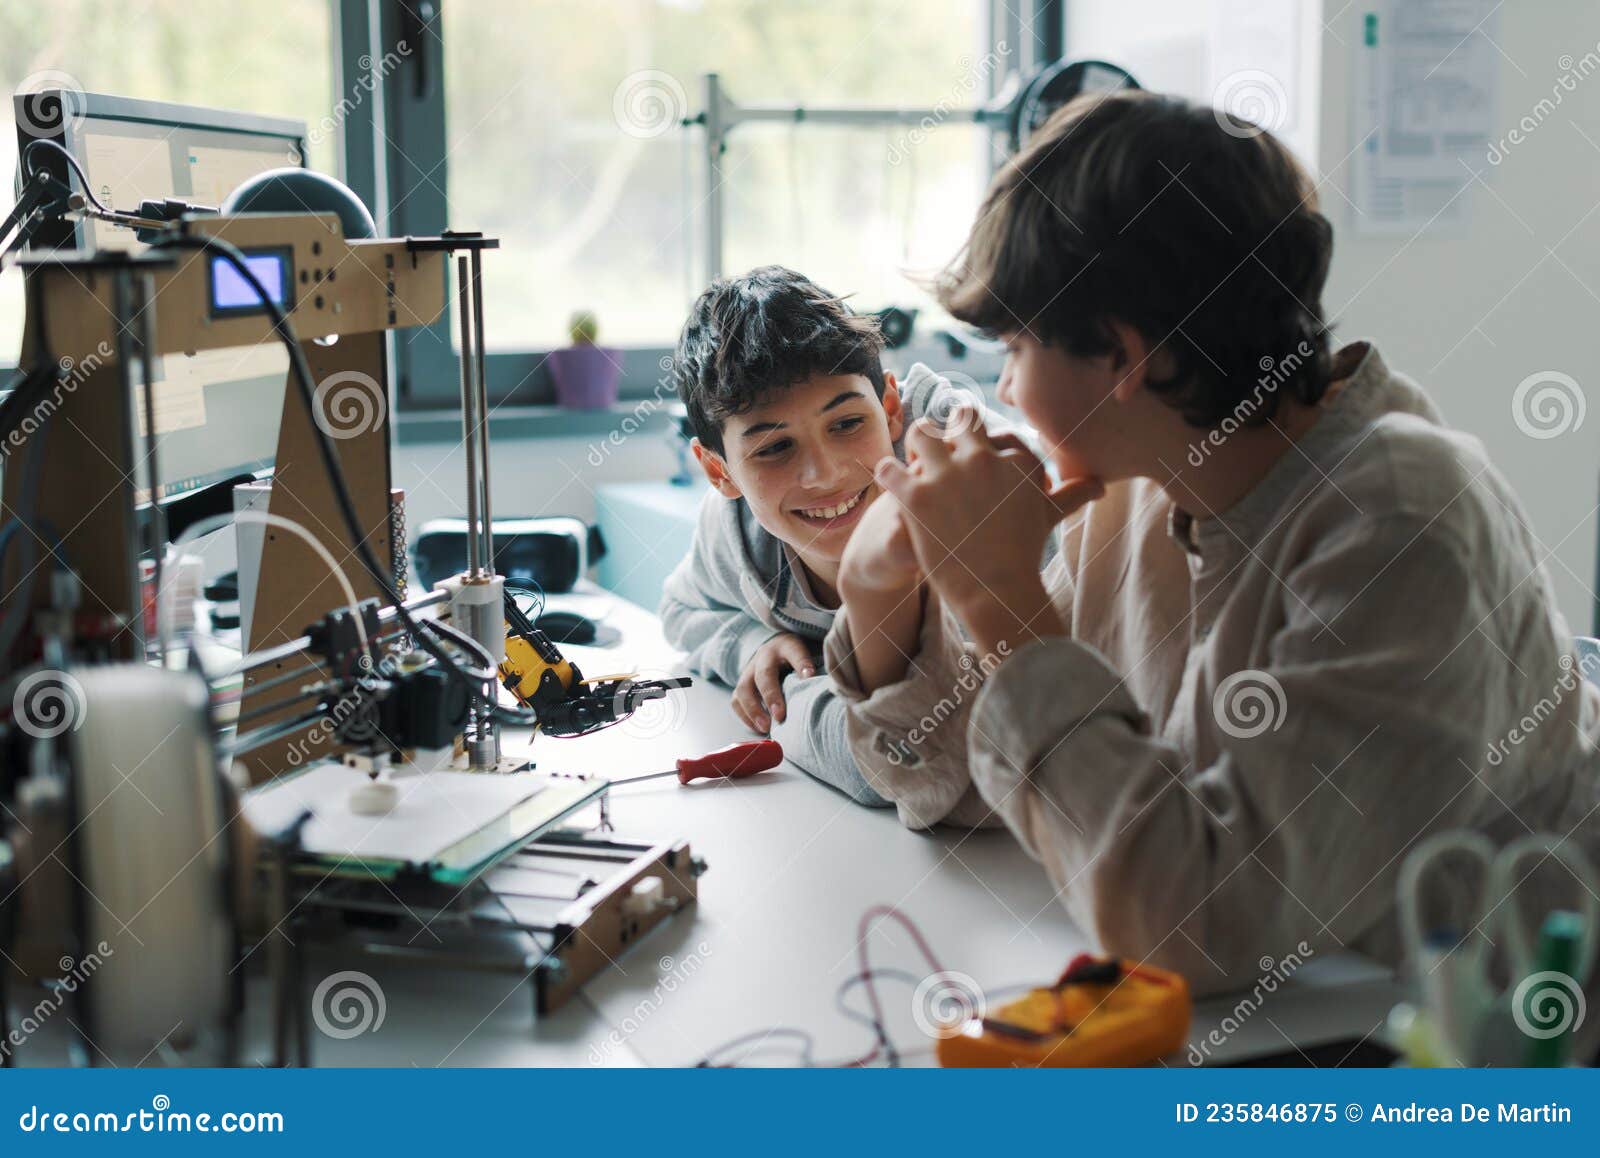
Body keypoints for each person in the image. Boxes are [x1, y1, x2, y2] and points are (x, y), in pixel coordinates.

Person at [824, 90, 1600, 993]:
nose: (1004, 389)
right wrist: (881, 593)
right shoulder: (1152, 488)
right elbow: (966, 788)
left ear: (1123, 355)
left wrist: (999, 599)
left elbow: (1200, 923)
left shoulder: (1401, 520)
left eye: (1014, 349)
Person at [661, 265, 960, 804]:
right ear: (719, 472)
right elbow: (681, 610)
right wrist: (755, 645)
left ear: (890, 409)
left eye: (847, 424)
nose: (825, 475)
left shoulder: (959, 488)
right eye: (775, 448)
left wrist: (791, 701)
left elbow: (905, 763)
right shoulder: (737, 533)